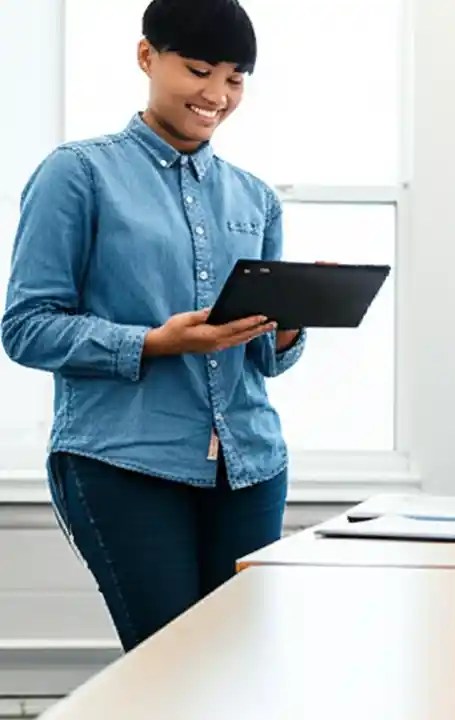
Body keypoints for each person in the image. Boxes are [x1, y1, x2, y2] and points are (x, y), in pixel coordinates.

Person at [1, 0, 303, 652]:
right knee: (171, 669)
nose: (217, 95)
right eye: (198, 70)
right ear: (147, 57)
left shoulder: (256, 198)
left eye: (235, 78)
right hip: (124, 464)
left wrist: (289, 323)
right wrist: (154, 343)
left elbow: (268, 362)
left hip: (250, 468)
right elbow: (26, 327)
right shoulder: (77, 174)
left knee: (245, 672)